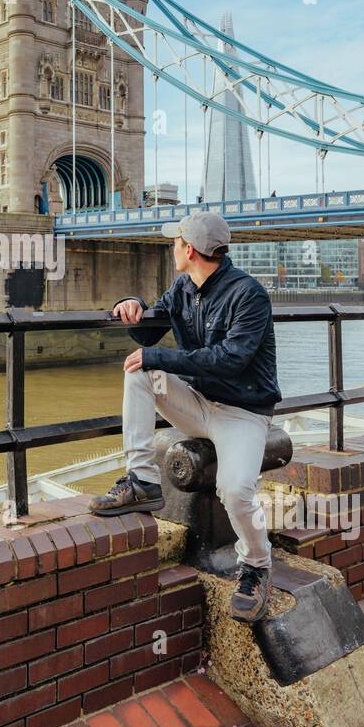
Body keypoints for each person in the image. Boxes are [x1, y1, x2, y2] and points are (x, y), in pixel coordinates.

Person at [89, 212, 282, 624]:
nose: (172, 248)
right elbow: (147, 337)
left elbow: (231, 360)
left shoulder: (248, 294)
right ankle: (142, 480)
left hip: (243, 414)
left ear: (188, 249)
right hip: (199, 403)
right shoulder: (182, 287)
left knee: (236, 491)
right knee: (140, 371)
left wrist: (161, 355)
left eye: (174, 243)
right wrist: (133, 306)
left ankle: (256, 565)